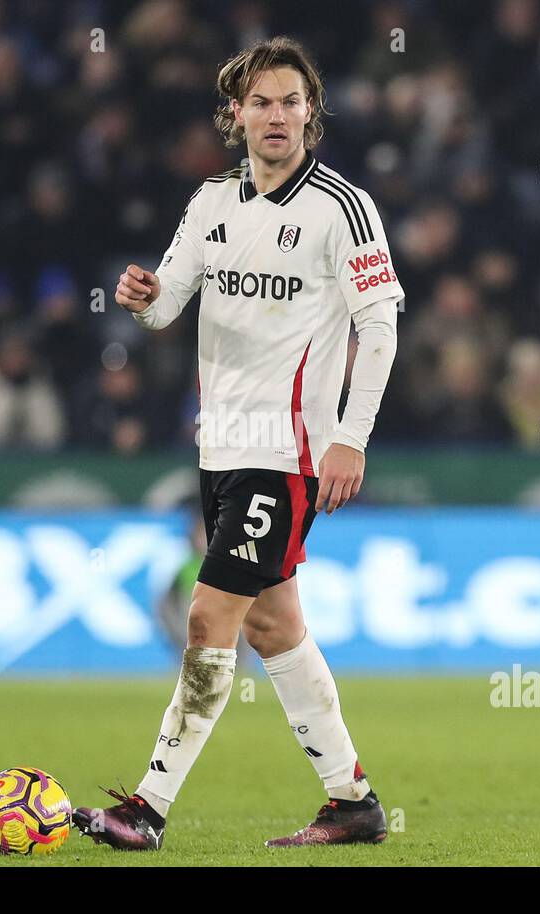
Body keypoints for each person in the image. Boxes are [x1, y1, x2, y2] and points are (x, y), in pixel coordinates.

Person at [74, 37, 401, 851]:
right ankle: (351, 802)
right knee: (273, 626)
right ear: (236, 115)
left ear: (311, 116)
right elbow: (167, 305)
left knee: (210, 616)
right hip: (219, 449)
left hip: (287, 454)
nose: (277, 115)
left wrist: (350, 438)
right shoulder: (211, 202)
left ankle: (145, 809)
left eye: (292, 101)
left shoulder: (343, 208)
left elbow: (381, 327)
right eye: (261, 102)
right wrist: (143, 299)